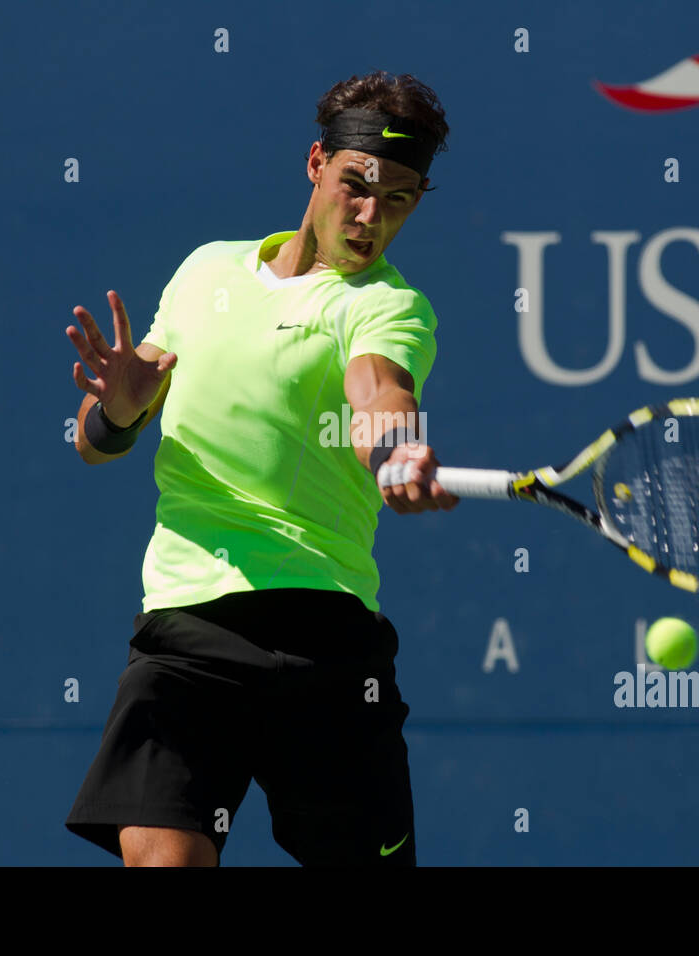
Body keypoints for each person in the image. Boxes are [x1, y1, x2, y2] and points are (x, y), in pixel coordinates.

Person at [61, 71, 457, 866]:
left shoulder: (387, 305)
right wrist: (122, 408)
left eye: (401, 199)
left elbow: (378, 390)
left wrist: (395, 445)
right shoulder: (206, 271)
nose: (371, 218)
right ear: (317, 163)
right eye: (358, 186)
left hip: (327, 637)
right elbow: (94, 443)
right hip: (189, 623)